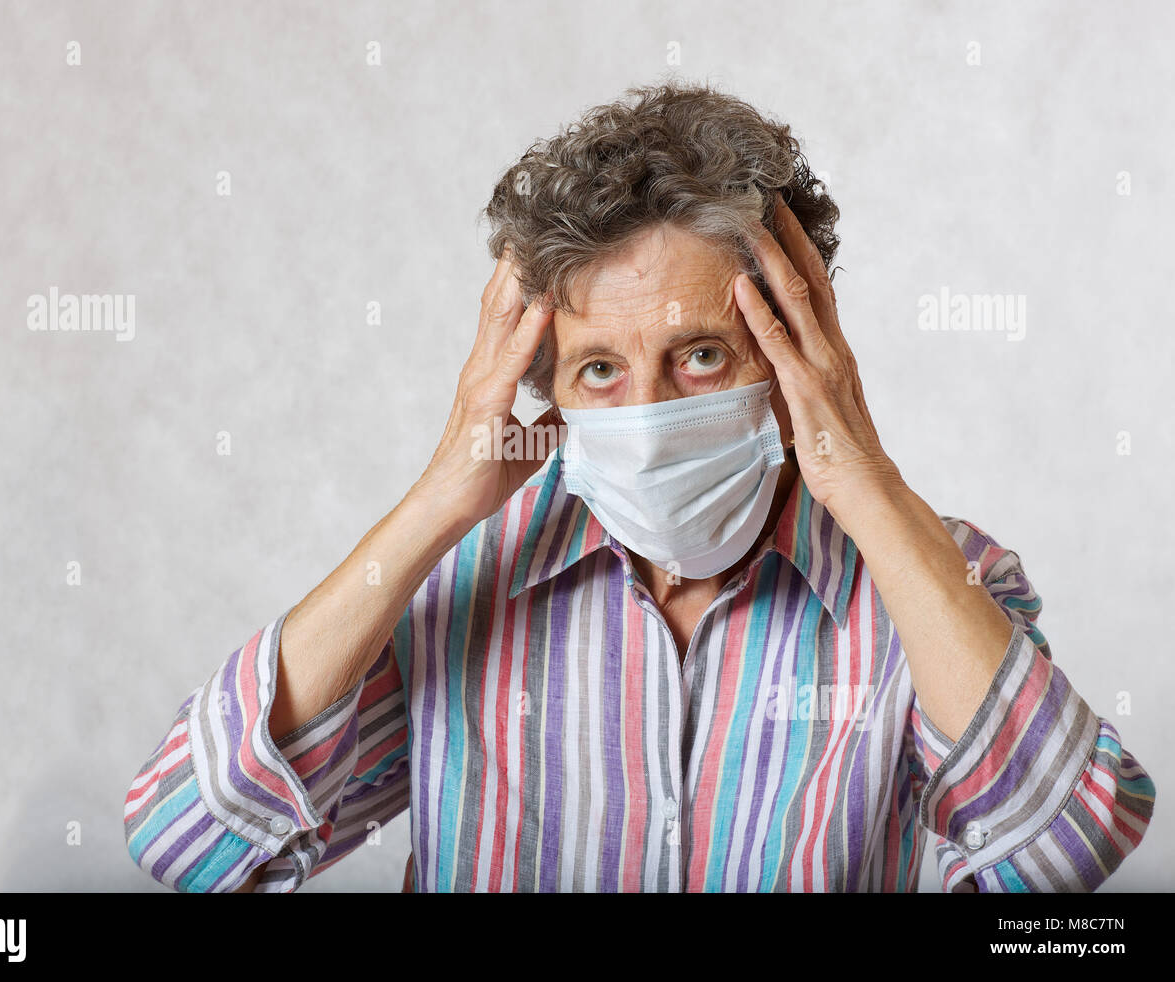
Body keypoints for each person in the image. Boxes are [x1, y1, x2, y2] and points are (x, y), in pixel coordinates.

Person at [123, 80, 1155, 892]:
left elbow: (1062, 859)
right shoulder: (460, 586)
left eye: (702, 354)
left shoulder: (935, 581)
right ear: (550, 391)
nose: (651, 412)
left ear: (797, 351)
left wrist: (866, 482)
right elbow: (191, 840)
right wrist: (439, 501)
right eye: (600, 370)